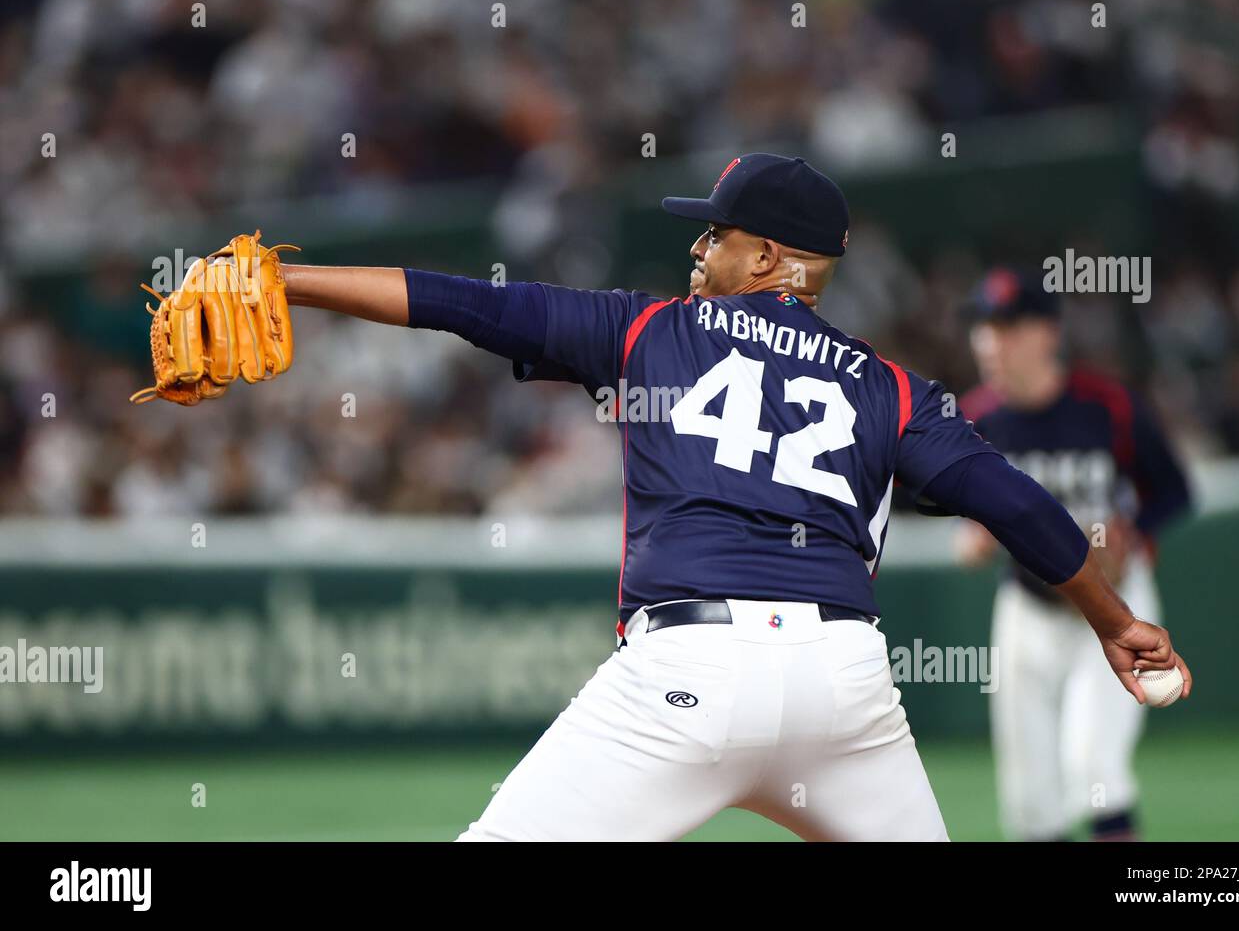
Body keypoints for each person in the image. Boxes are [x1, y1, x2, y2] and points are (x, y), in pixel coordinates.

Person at [273, 154, 1190, 840]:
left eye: (716, 233)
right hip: (843, 689)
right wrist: (1113, 621)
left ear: (767, 258)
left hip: (688, 672)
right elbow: (1016, 504)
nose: (697, 245)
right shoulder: (891, 386)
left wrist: (286, 282)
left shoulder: (648, 328)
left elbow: (464, 302)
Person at [957, 267, 1192, 841]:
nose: (992, 343)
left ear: (1049, 333)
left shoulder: (1106, 405)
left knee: (1094, 766)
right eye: (985, 328)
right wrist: (976, 534)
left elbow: (1173, 491)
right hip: (1029, 607)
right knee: (1031, 803)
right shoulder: (974, 419)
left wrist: (1132, 532)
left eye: (1009, 327)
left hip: (1111, 606)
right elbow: (961, 515)